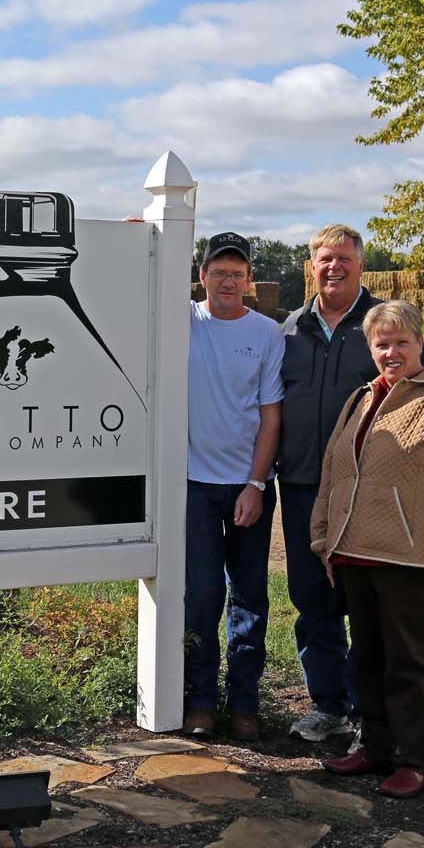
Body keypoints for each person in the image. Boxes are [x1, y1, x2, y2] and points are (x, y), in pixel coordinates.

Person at [310, 300, 424, 797]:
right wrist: (323, 537)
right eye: (381, 344)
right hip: (354, 554)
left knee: (407, 663)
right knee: (365, 659)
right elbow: (333, 473)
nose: (391, 352)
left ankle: (413, 759)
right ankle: (375, 748)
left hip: (412, 558)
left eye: (400, 342)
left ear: (420, 342)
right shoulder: (360, 400)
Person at [279, 224, 419, 744]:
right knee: (311, 599)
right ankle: (328, 705)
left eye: (343, 258)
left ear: (361, 265)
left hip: (366, 490)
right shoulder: (290, 328)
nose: (332, 267)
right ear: (311, 266)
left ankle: (369, 715)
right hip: (298, 485)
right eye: (323, 259)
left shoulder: (381, 323)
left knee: (364, 601)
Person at [183, 231, 284, 740]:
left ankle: (244, 701)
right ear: (201, 277)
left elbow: (271, 415)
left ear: (248, 281)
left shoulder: (267, 332)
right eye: (218, 271)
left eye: (237, 273)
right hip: (193, 486)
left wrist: (256, 484)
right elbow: (129, 293)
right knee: (200, 597)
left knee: (249, 597)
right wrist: (133, 238)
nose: (228, 280)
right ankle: (199, 699)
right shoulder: (179, 321)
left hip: (247, 486)